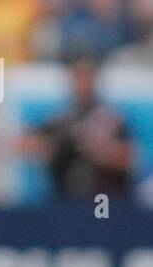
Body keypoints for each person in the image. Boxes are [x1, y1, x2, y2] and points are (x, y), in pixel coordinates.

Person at [18, 56, 134, 201]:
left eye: (87, 77)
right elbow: (26, 145)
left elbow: (130, 159)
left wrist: (99, 150)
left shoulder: (112, 118)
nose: (83, 83)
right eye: (78, 77)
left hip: (103, 199)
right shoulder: (59, 119)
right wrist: (50, 148)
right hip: (63, 199)